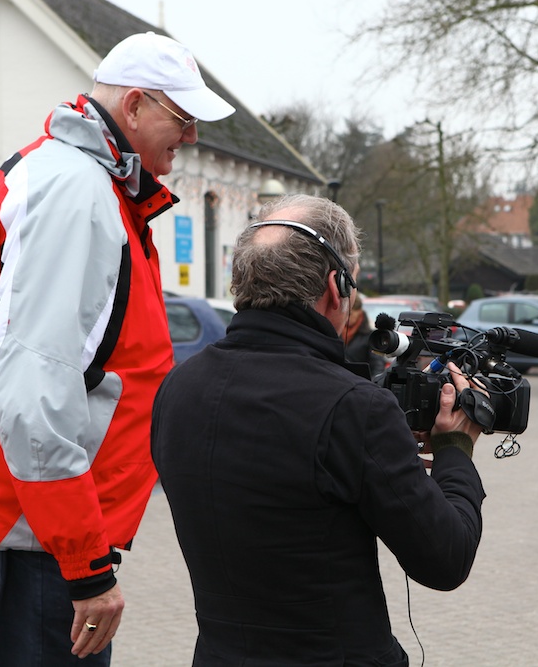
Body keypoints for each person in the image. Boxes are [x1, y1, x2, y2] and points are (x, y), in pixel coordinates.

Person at [0, 31, 234, 665]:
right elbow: (35, 388)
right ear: (133, 106)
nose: (191, 139)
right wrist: (86, 566)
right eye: (183, 119)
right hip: (21, 525)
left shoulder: (47, 168)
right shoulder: (79, 194)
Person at [151, 194, 488, 666]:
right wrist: (455, 448)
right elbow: (445, 559)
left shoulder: (177, 389)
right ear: (336, 285)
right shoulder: (355, 408)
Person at [344, 294, 386, 378]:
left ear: (359, 312)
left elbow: (378, 366)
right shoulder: (336, 332)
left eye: (350, 314)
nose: (347, 317)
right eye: (345, 313)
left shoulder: (371, 337)